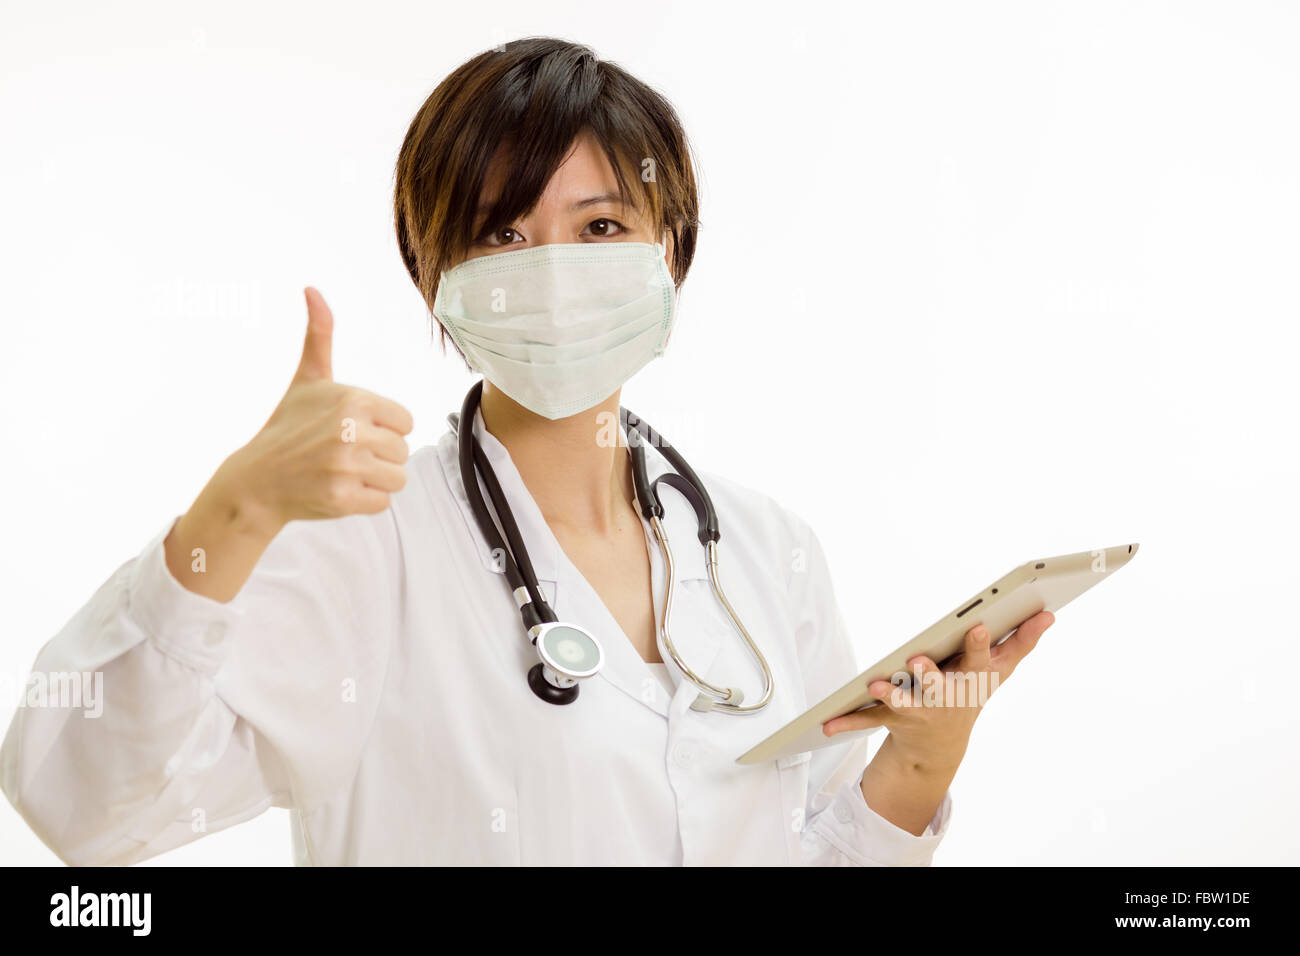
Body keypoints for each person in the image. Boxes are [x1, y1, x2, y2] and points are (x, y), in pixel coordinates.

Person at [0, 36, 1054, 866]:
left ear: (670, 252)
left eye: (600, 229)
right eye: (501, 233)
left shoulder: (766, 551)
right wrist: (231, 512)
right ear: (437, 281)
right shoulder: (362, 550)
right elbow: (83, 812)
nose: (553, 269)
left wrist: (920, 759)